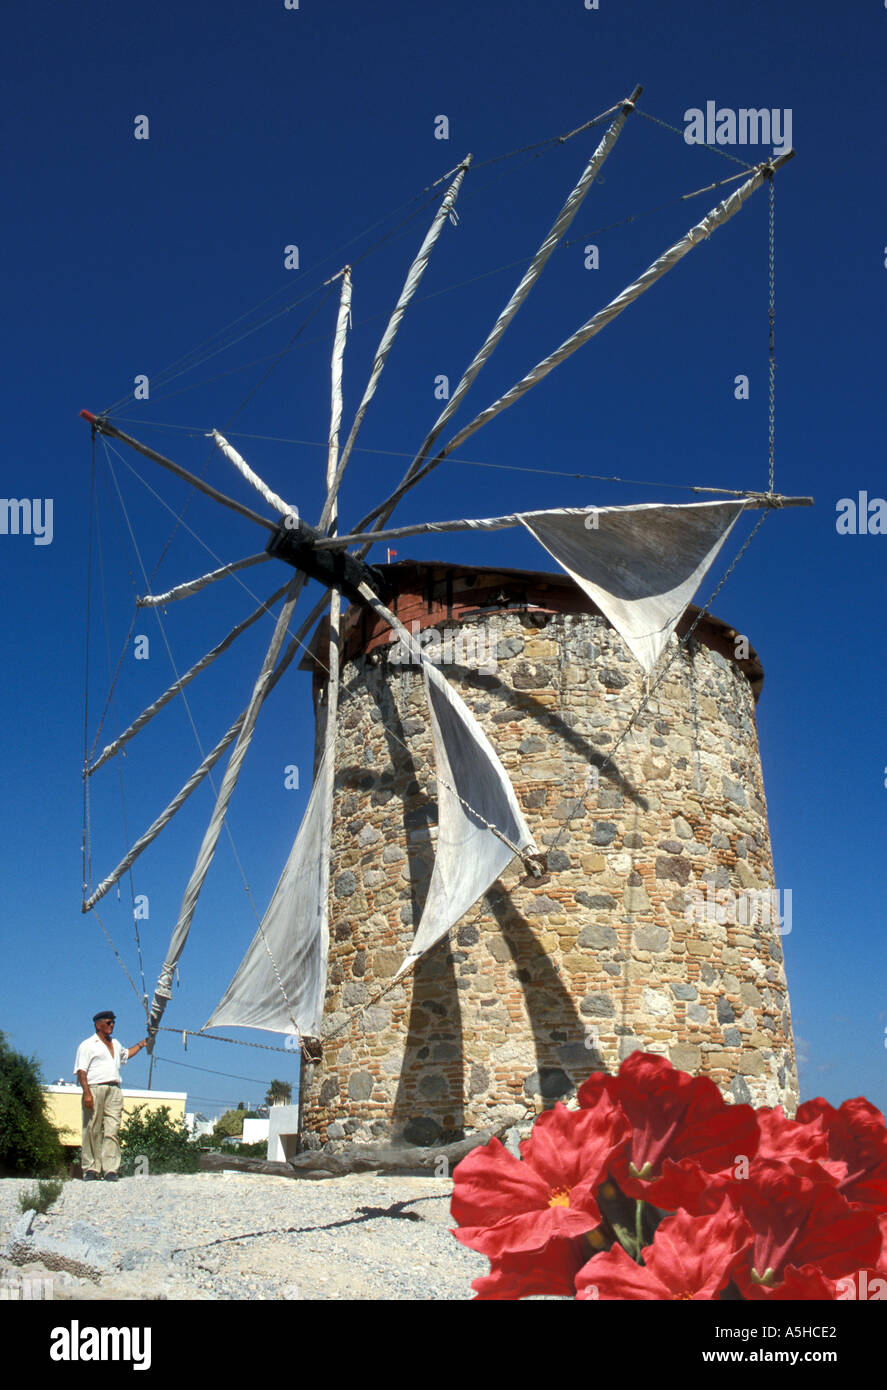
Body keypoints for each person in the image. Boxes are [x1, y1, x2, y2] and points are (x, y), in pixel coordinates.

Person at [74, 1011, 149, 1181]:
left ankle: (110, 1169)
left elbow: (125, 1055)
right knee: (92, 1128)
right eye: (108, 1022)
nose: (112, 1025)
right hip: (95, 1088)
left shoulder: (115, 1043)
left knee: (112, 1129)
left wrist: (142, 1044)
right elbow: (81, 1071)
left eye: (113, 1022)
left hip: (114, 1089)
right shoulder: (87, 1045)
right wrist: (86, 1093)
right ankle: (91, 1168)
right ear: (98, 1024)